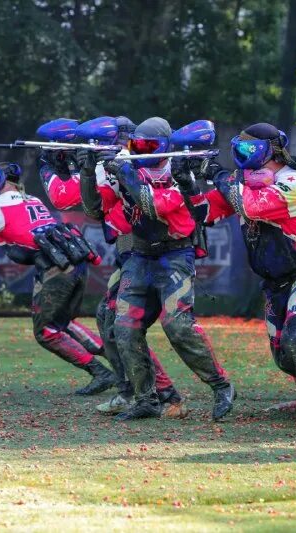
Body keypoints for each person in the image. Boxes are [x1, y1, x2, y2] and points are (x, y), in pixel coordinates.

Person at [170, 122, 296, 438]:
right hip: (275, 282)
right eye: (238, 149)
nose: (241, 155)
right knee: (286, 358)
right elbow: (204, 214)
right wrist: (187, 182)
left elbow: (251, 205)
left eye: (247, 148)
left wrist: (219, 174)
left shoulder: (294, 181)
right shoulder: (243, 184)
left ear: (268, 150)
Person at [77, 117, 235, 422]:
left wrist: (124, 172)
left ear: (165, 147)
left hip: (176, 255)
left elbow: (152, 206)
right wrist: (88, 171)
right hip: (139, 256)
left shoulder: (179, 171)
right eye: (138, 145)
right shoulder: (127, 165)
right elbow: (93, 208)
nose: (142, 151)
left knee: (177, 325)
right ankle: (147, 399)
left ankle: (221, 386)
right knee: (123, 328)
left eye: (150, 146)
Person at [36, 117, 186, 418]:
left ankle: (164, 394)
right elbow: (91, 201)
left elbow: (63, 197)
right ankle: (131, 389)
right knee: (110, 319)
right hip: (130, 250)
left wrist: (49, 165)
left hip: (147, 252)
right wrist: (73, 166)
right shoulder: (117, 160)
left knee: (125, 324)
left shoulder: (124, 161)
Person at [0, 162, 118, 396]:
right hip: (74, 262)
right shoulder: (32, 200)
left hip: (55, 268)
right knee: (65, 324)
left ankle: (102, 373)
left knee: (47, 332)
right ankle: (121, 366)